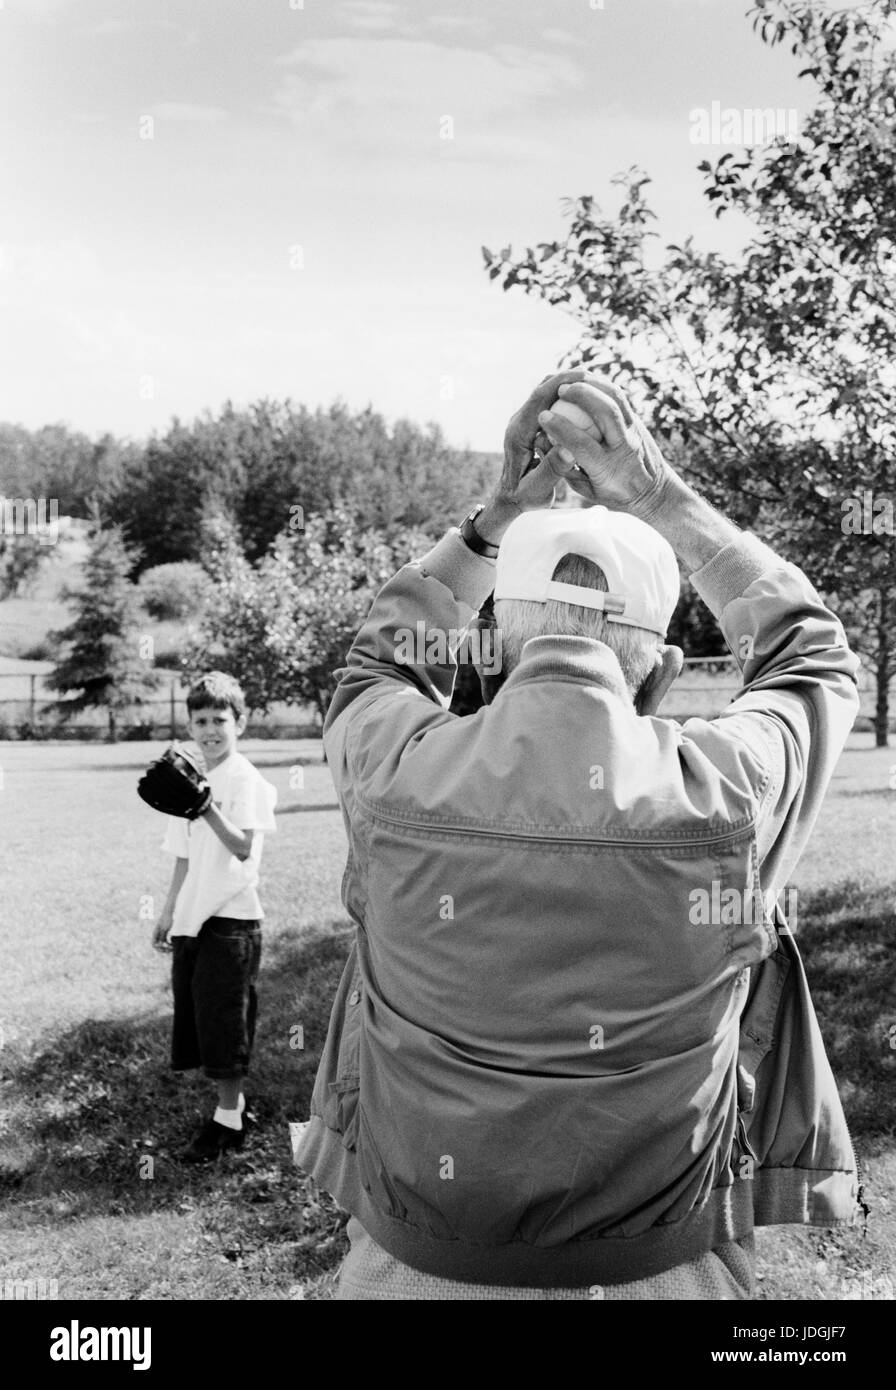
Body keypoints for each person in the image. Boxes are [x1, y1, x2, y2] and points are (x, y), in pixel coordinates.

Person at [294, 370, 863, 1299]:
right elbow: (809, 648)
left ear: (494, 654)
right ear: (664, 672)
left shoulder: (392, 764)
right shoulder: (730, 791)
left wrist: (498, 516)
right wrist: (655, 492)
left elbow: (379, 659)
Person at [153, 671, 277, 1162]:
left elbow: (245, 846)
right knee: (200, 1020)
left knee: (225, 1020)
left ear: (239, 723)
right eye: (200, 720)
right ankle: (233, 1108)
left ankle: (229, 1120)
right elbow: (182, 855)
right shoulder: (189, 775)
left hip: (231, 920)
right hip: (193, 918)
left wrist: (206, 806)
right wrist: (168, 910)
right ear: (190, 723)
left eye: (220, 719)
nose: (209, 730)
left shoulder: (245, 779)